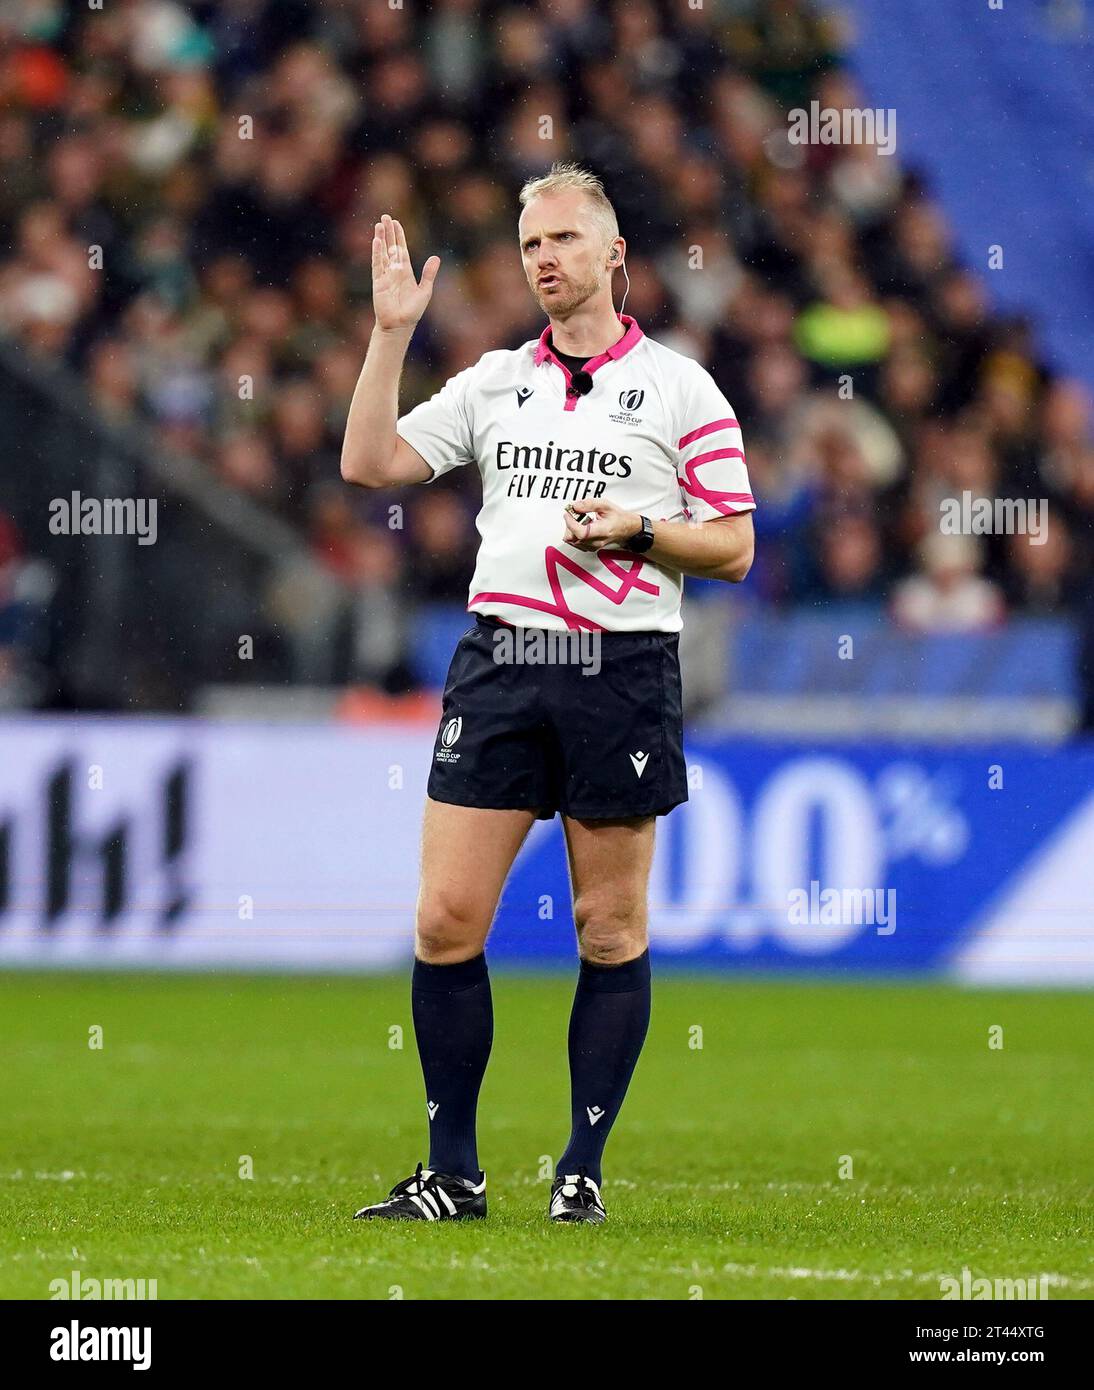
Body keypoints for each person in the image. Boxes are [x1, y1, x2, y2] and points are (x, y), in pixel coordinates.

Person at [341, 163, 755, 1224]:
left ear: (612, 255)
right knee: (443, 919)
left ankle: (580, 1166)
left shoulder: (679, 387)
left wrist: (640, 532)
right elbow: (370, 459)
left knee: (606, 925)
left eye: (563, 239)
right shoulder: (491, 382)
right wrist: (389, 334)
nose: (543, 259)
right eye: (529, 244)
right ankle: (453, 1171)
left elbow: (735, 544)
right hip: (501, 661)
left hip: (618, 666)